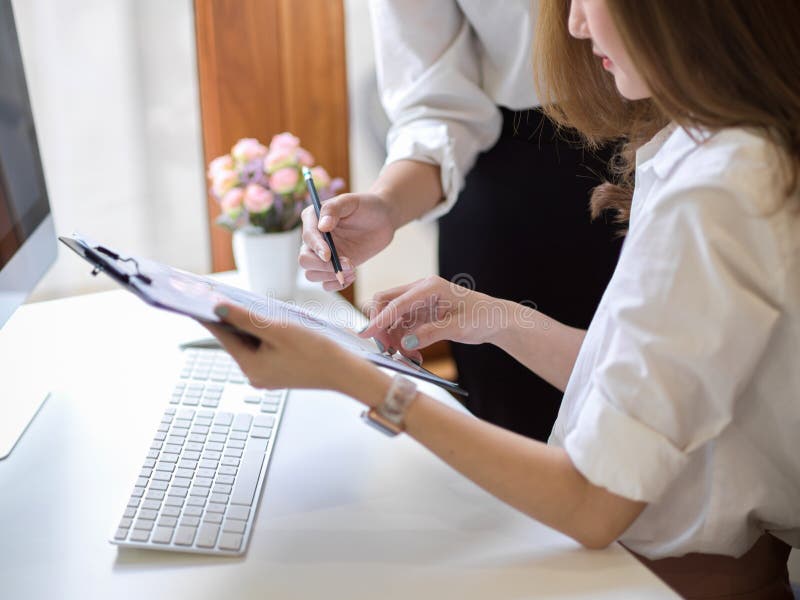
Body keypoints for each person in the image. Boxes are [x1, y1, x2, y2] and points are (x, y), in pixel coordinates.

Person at [205, 0, 800, 597]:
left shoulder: (711, 195)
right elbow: (648, 384)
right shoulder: (716, 148)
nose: (572, 25)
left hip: (660, 579)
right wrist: (487, 315)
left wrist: (357, 380)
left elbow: (592, 504)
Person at [298, 0, 623, 442]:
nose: (573, 25)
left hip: (667, 121)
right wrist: (387, 204)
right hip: (511, 171)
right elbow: (436, 107)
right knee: (512, 427)